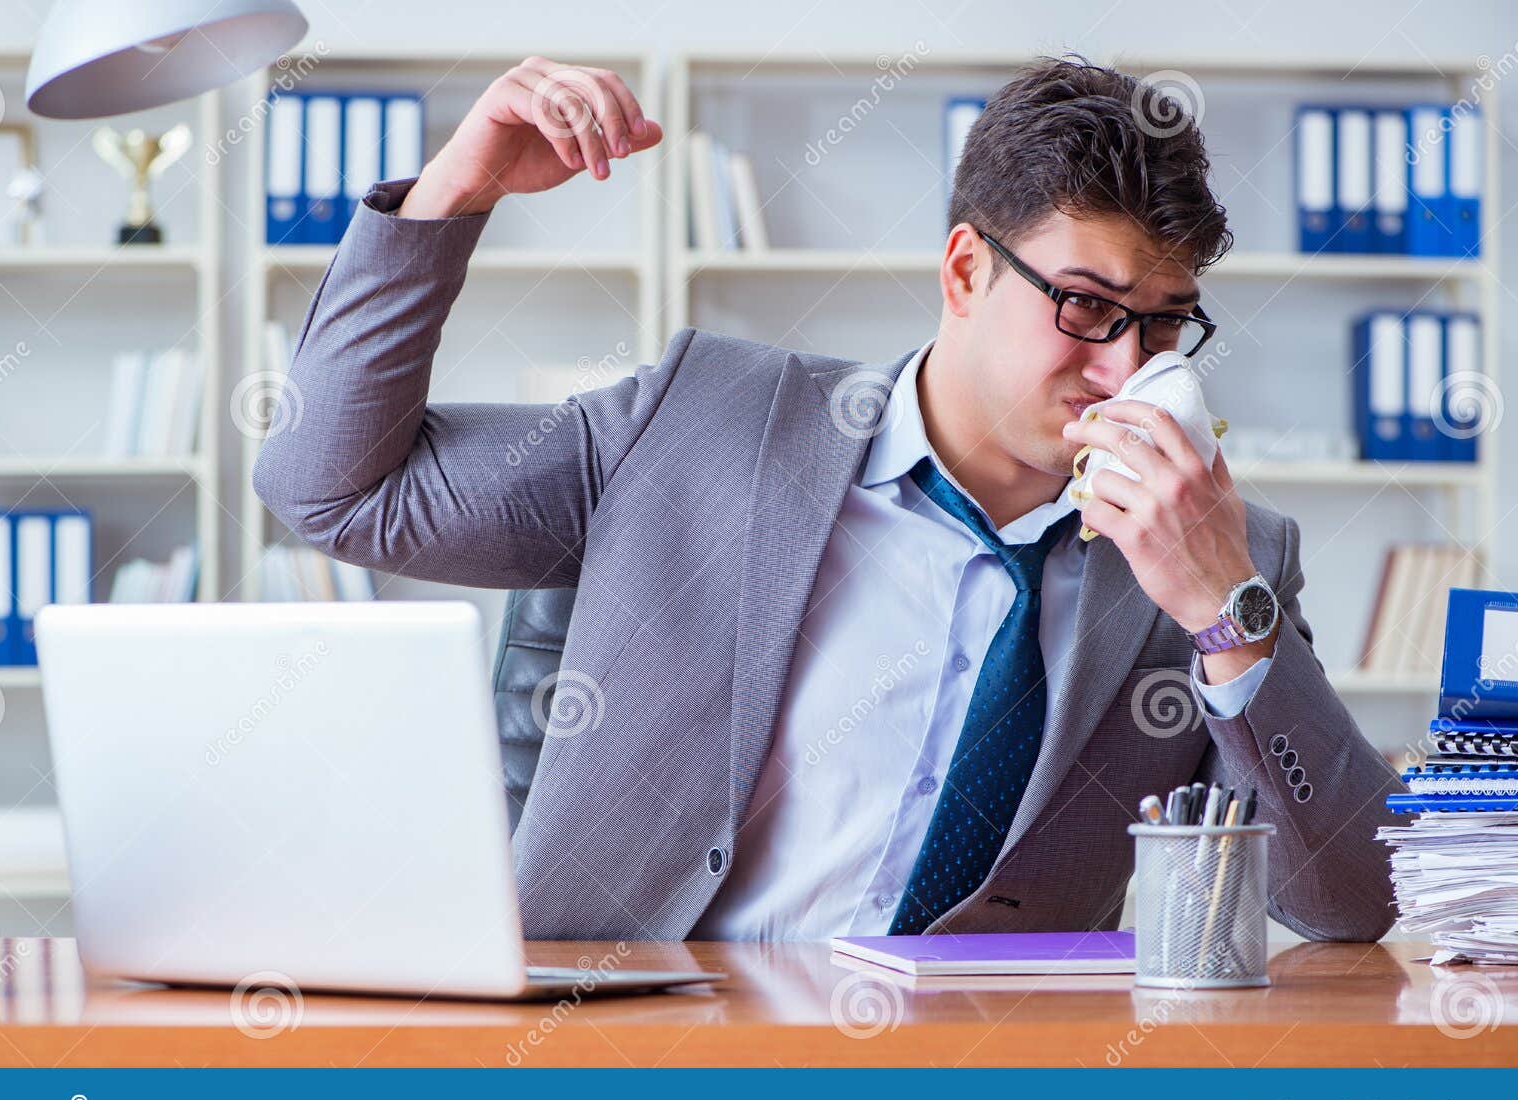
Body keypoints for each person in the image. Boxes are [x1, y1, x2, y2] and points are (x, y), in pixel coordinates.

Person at [254, 53, 1398, 942]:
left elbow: (1348, 901)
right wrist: (454, 192)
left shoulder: (1216, 561)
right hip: (631, 1061)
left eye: (1163, 325)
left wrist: (1223, 608)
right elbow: (334, 493)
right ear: (963, 270)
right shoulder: (697, 421)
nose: (1125, 369)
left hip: (981, 1089)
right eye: (1089, 307)